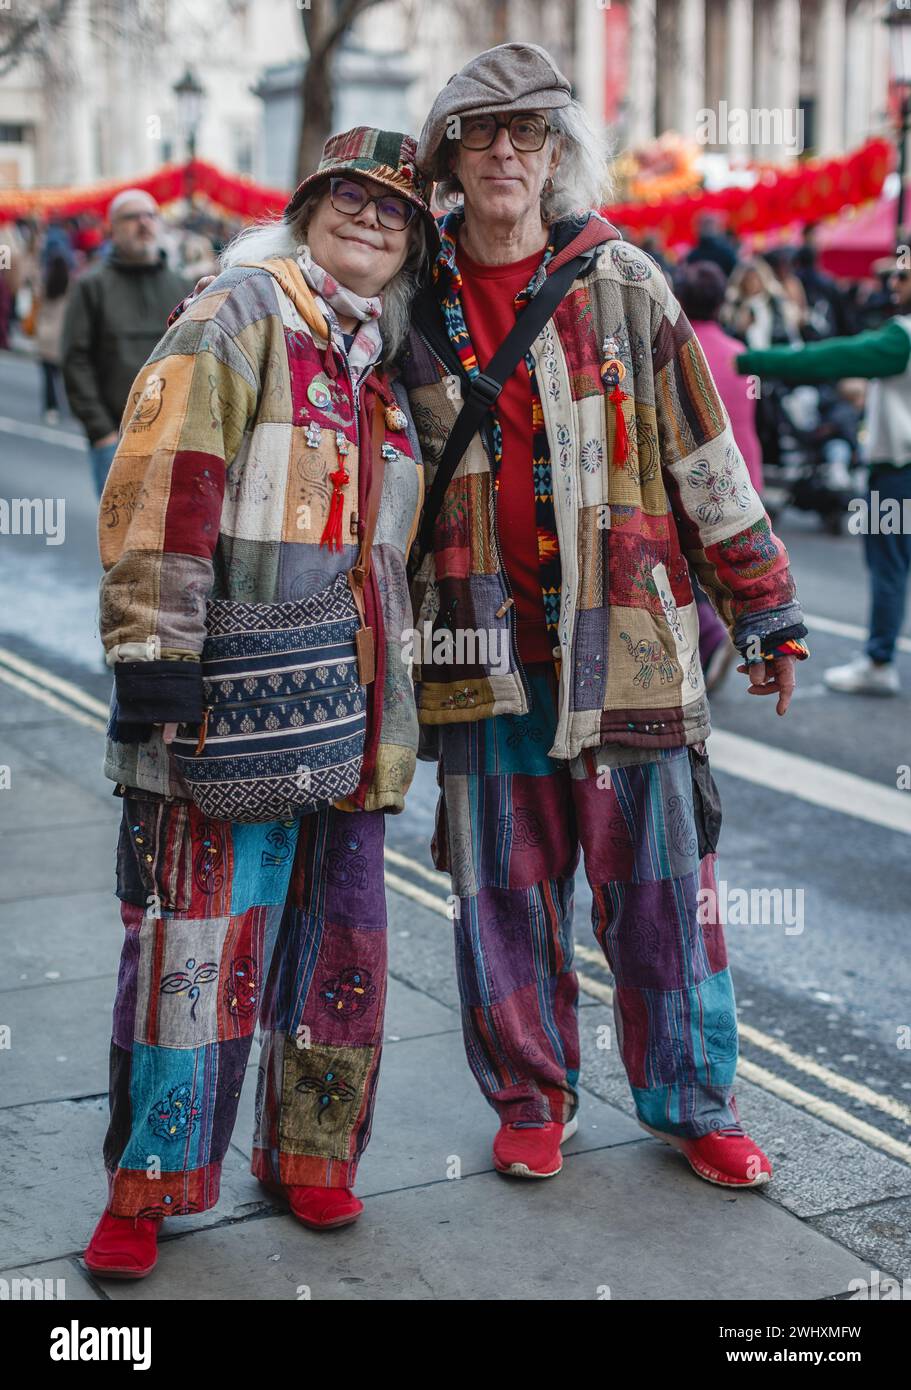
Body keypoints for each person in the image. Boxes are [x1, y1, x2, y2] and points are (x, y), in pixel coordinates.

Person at [402, 42, 809, 1189]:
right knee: (502, 896)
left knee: (661, 897)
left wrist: (765, 606)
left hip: (625, 648)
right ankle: (531, 1097)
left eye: (524, 133)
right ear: (446, 155)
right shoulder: (408, 302)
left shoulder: (616, 278)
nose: (502, 154)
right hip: (477, 657)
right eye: (479, 133)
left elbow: (703, 452)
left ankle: (692, 1102)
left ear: (554, 154)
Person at [83, 129, 435, 1280]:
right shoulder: (240, 311)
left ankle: (311, 1157)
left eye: (394, 210)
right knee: (194, 944)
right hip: (224, 702)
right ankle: (147, 1183)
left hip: (354, 706)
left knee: (343, 948)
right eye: (349, 199)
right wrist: (153, 662)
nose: (371, 220)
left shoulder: (385, 354)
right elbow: (161, 477)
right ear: (306, 209)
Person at [737, 262, 911, 695]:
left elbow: (826, 358)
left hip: (896, 472)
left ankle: (878, 660)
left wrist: (744, 360)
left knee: (888, 568)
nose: (893, 283)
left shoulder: (901, 337)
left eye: (902, 275)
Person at [61, 190, 192, 496]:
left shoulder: (181, 285)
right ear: (113, 228)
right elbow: (74, 359)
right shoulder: (91, 286)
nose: (143, 223)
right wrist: (101, 431)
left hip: (175, 440)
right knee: (122, 540)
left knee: (173, 539)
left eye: (150, 215)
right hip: (116, 441)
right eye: (132, 217)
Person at [674, 259, 763, 690]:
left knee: (685, 568)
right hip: (746, 471)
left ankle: (710, 635)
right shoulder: (739, 353)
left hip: (698, 479)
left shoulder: (677, 351)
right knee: (735, 564)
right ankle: (746, 629)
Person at [34, 254, 70, 424]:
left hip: (44, 335)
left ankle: (50, 407)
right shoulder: (69, 288)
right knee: (61, 376)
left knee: (47, 377)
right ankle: (66, 406)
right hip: (60, 336)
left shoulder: (46, 286)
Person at [684, 211, 738, 277]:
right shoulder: (692, 255)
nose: (708, 228)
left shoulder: (726, 253)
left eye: (710, 225)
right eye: (705, 225)